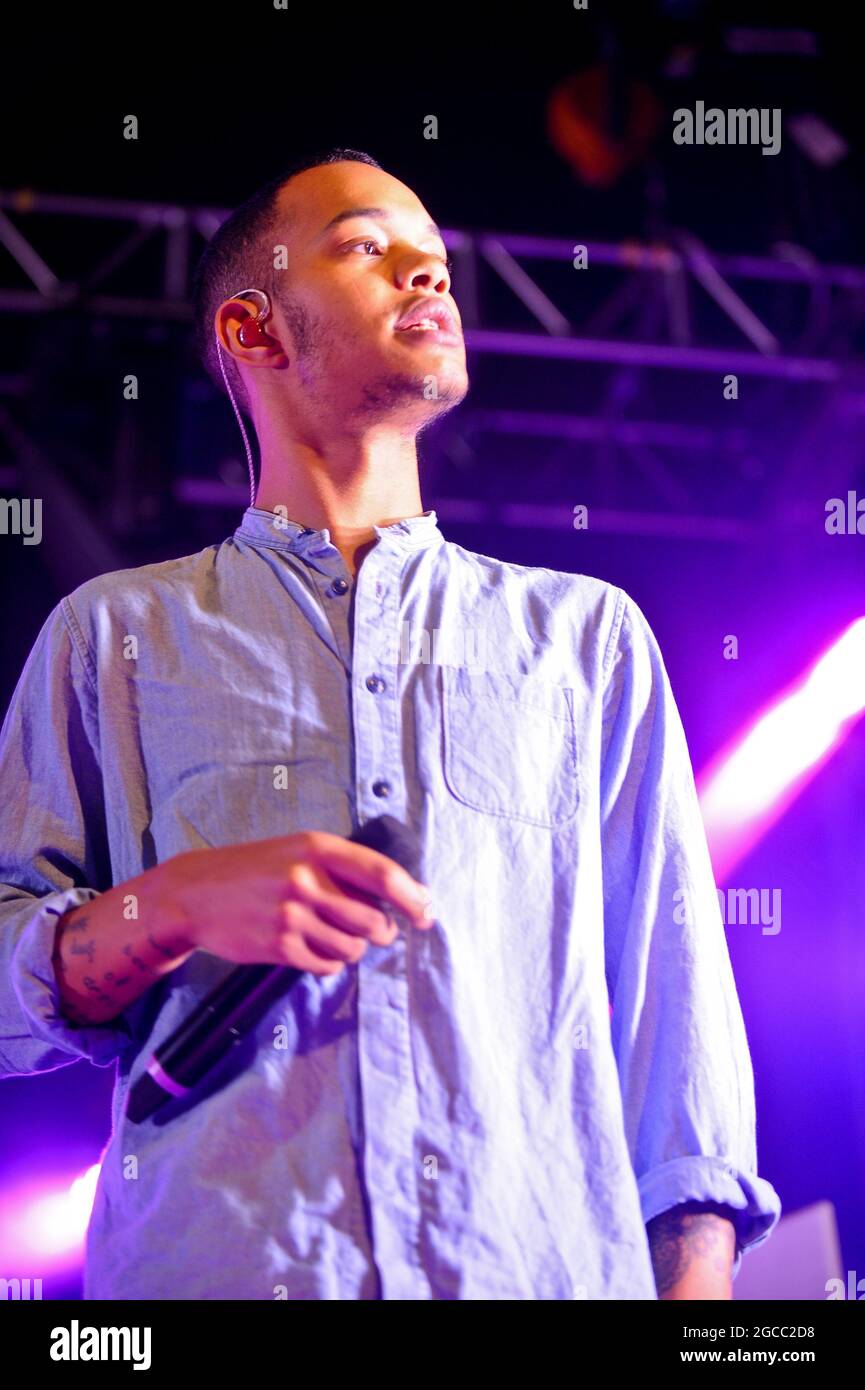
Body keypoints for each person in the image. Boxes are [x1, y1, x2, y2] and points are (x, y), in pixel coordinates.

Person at [0, 147, 780, 1300]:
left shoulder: (587, 639)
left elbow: (677, 1029)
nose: (430, 273)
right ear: (256, 334)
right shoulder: (111, 635)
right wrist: (165, 906)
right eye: (369, 246)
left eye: (439, 259)